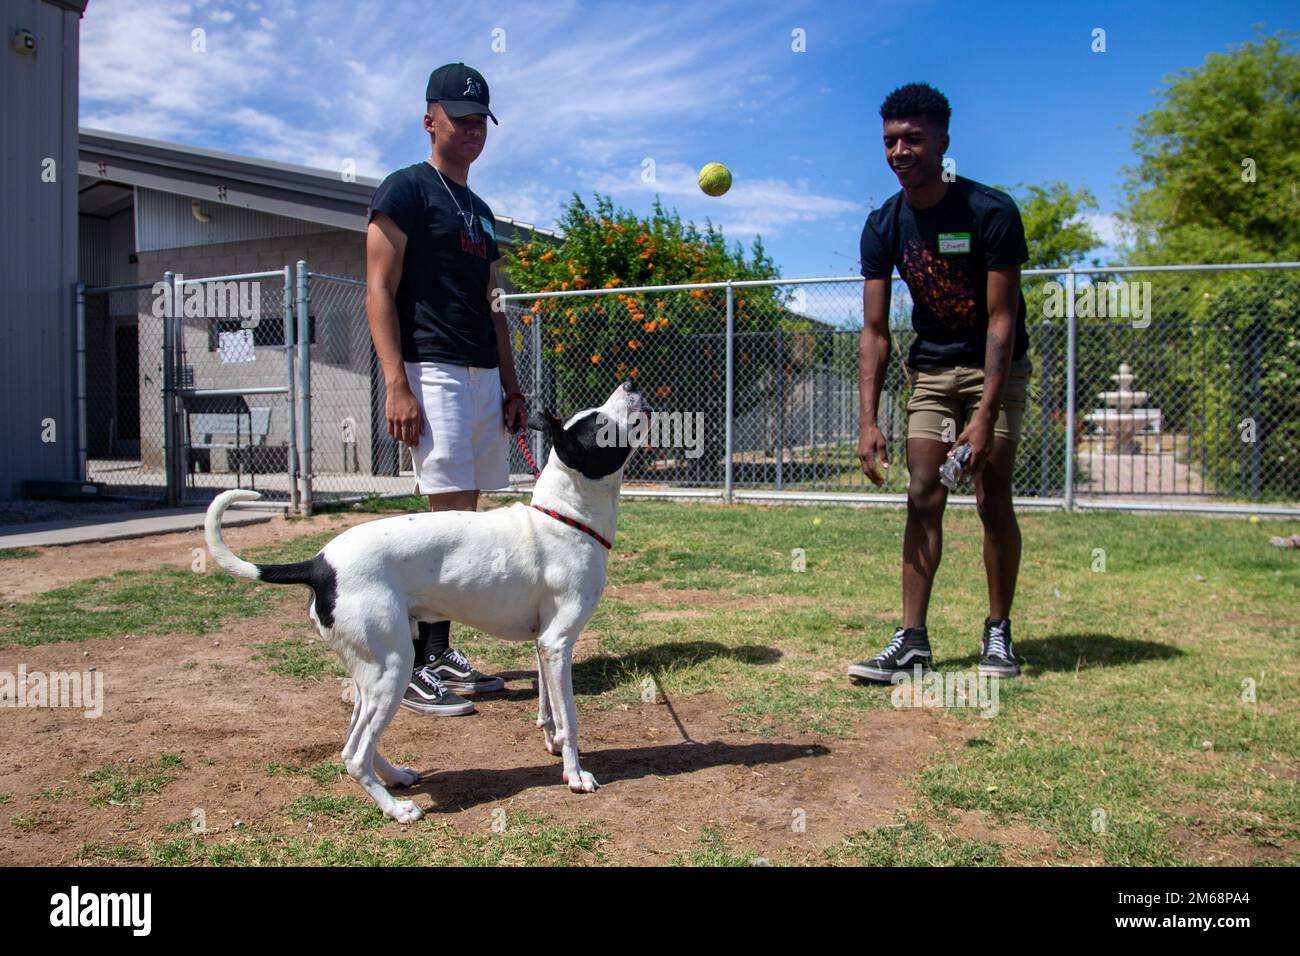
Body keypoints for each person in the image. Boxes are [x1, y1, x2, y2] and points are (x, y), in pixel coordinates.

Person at [848, 82, 1032, 684]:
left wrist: (984, 414)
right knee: (924, 492)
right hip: (929, 370)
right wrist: (867, 417)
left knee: (990, 495)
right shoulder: (884, 225)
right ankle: (913, 642)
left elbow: (1003, 317)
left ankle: (998, 632)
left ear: (943, 142)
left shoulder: (989, 212)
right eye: (890, 141)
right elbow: (874, 329)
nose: (900, 151)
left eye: (913, 139)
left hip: (993, 369)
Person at [365, 62, 528, 716]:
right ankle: (407, 664)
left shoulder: (481, 214)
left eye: (479, 121)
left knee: (467, 526)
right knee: (445, 526)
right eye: (458, 118)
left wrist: (513, 387)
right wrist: (395, 382)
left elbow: (494, 307)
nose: (471, 131)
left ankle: (439, 651)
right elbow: (377, 286)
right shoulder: (405, 191)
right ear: (429, 118)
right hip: (431, 371)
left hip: (483, 377)